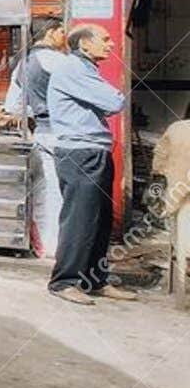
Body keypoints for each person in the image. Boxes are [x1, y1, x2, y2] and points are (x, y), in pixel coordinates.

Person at [45, 23, 134, 304]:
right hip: (80, 153)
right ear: (84, 45)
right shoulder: (72, 69)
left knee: (101, 220)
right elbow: (114, 101)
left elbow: (109, 103)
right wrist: (109, 100)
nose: (110, 45)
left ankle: (95, 279)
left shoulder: (85, 71)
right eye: (104, 40)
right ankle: (64, 282)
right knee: (80, 219)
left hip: (94, 150)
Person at [0, 16, 67, 256]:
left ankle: (47, 246)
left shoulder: (23, 63)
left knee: (45, 192)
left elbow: (14, 105)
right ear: (50, 33)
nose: (65, 37)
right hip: (65, 135)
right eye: (62, 31)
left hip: (41, 134)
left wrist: (7, 116)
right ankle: (61, 247)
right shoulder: (62, 62)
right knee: (61, 193)